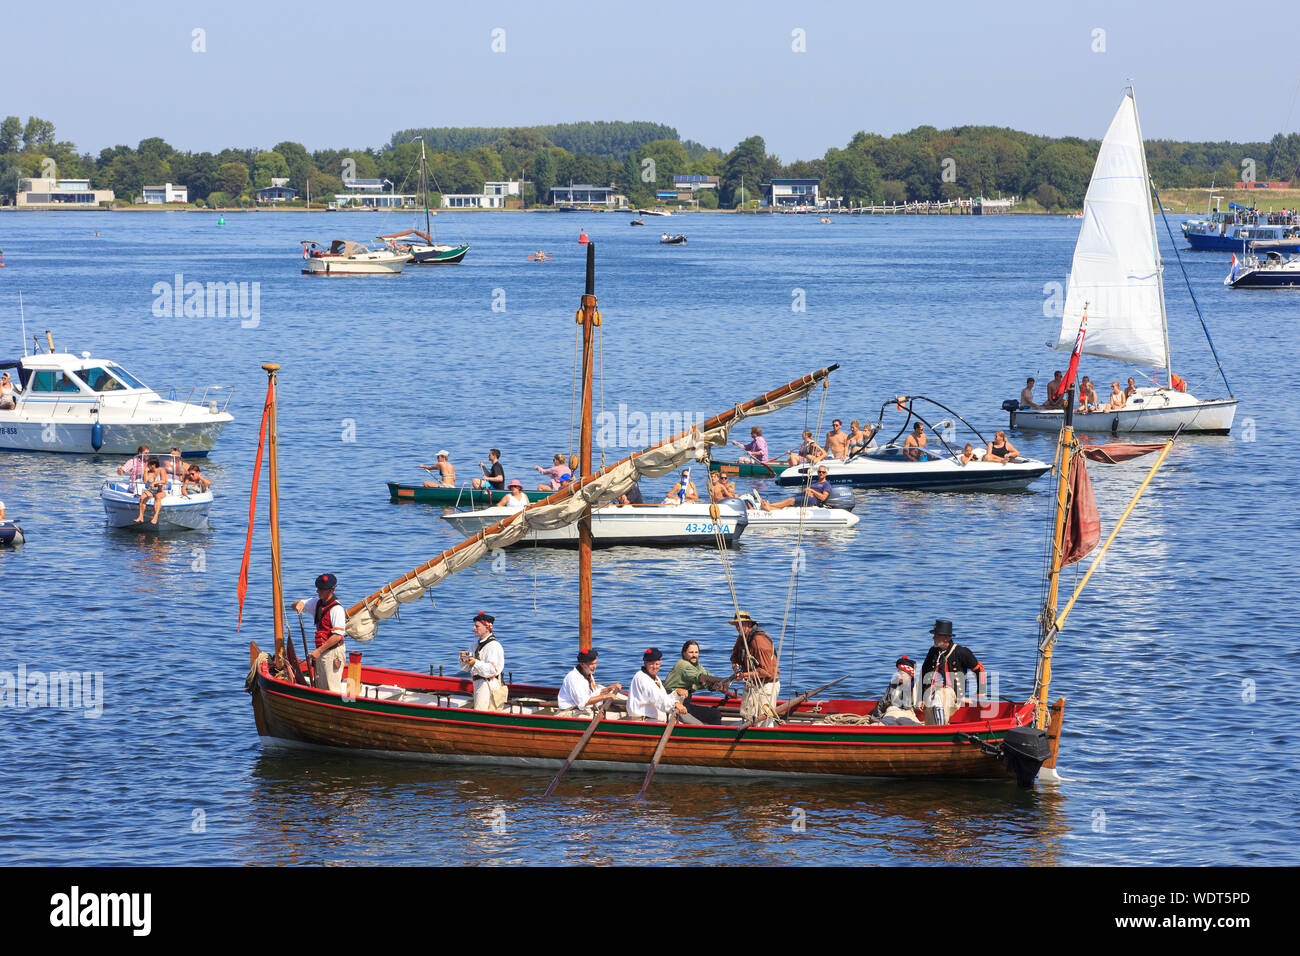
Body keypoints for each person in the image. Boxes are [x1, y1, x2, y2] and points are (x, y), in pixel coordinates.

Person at [920, 619, 986, 725]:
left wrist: (980, 691)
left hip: (953, 693)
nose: (933, 638)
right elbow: (924, 673)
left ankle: (941, 730)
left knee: (938, 696)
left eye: (936, 636)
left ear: (947, 638)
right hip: (932, 690)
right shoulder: (933, 651)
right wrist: (921, 697)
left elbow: (979, 670)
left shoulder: (961, 652)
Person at [291, 573, 347, 693]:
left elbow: (337, 636)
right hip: (321, 652)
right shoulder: (316, 603)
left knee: (332, 689)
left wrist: (319, 651)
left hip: (333, 653)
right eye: (318, 588)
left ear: (331, 590)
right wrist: (298, 604)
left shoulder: (337, 609)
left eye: (321, 589)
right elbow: (295, 604)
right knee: (321, 687)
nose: (318, 591)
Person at [729, 611, 780, 724]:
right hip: (753, 684)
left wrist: (744, 675)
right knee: (748, 718)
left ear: (748, 624)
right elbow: (734, 656)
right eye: (736, 625)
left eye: (741, 624)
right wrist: (735, 665)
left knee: (765, 721)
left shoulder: (759, 641)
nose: (738, 627)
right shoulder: (742, 638)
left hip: (766, 686)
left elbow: (766, 672)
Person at [663, 639, 729, 724]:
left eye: (696, 652)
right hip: (674, 707)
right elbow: (700, 677)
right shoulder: (683, 665)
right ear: (684, 653)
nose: (694, 655)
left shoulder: (697, 666)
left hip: (686, 705)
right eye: (691, 652)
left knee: (715, 714)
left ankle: (716, 735)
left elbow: (709, 677)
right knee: (699, 725)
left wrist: (716, 685)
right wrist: (721, 680)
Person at [627, 647, 701, 723]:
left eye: (657, 664)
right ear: (645, 663)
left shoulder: (655, 678)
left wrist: (676, 693)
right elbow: (658, 700)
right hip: (644, 722)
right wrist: (674, 704)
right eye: (651, 664)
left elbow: (663, 698)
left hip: (655, 720)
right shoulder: (642, 678)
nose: (654, 667)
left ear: (660, 662)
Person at [460, 611, 506, 711]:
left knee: (482, 711)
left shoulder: (494, 646)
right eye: (474, 626)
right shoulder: (475, 645)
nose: (474, 628)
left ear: (487, 628)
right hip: (477, 683)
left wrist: (475, 662)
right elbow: (465, 667)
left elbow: (492, 670)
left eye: (477, 626)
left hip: (487, 685)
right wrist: (463, 659)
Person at [556, 648, 622, 717]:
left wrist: (608, 689)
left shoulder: (588, 674)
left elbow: (592, 694)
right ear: (582, 664)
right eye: (592, 664)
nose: (595, 666)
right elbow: (583, 702)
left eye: (596, 663)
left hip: (582, 709)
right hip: (569, 712)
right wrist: (605, 696)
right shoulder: (573, 678)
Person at [762, 464, 832, 511]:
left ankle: (769, 505)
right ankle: (771, 507)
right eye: (819, 472)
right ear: (817, 472)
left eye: (823, 472)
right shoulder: (815, 482)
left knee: (790, 500)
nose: (821, 473)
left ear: (826, 473)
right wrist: (807, 490)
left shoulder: (826, 484)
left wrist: (812, 491)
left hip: (812, 500)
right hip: (805, 496)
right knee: (788, 504)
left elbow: (823, 497)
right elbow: (807, 489)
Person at [874, 655, 922, 724]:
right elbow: (883, 703)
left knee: (916, 726)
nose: (898, 675)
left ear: (910, 675)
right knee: (886, 723)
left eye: (901, 673)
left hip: (908, 713)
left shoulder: (917, 686)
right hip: (892, 710)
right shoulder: (893, 685)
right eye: (898, 672)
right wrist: (875, 720)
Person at [134, 458, 168, 524]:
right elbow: (145, 481)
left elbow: (164, 480)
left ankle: (155, 516)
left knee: (157, 497)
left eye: (148, 465)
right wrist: (145, 472)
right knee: (142, 497)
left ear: (153, 465)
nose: (147, 466)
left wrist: (154, 482)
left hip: (160, 491)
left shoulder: (161, 470)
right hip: (151, 491)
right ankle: (141, 516)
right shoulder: (149, 472)